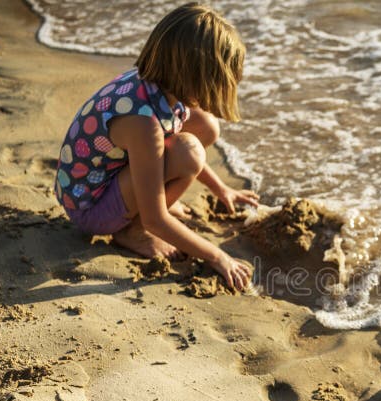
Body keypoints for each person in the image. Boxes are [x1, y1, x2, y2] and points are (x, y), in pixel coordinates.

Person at [54, 3, 258, 291]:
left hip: (99, 177)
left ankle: (145, 200)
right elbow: (156, 219)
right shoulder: (143, 123)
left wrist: (221, 189)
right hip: (90, 208)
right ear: (195, 77)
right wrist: (219, 257)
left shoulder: (151, 84)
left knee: (205, 126)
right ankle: (131, 231)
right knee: (189, 154)